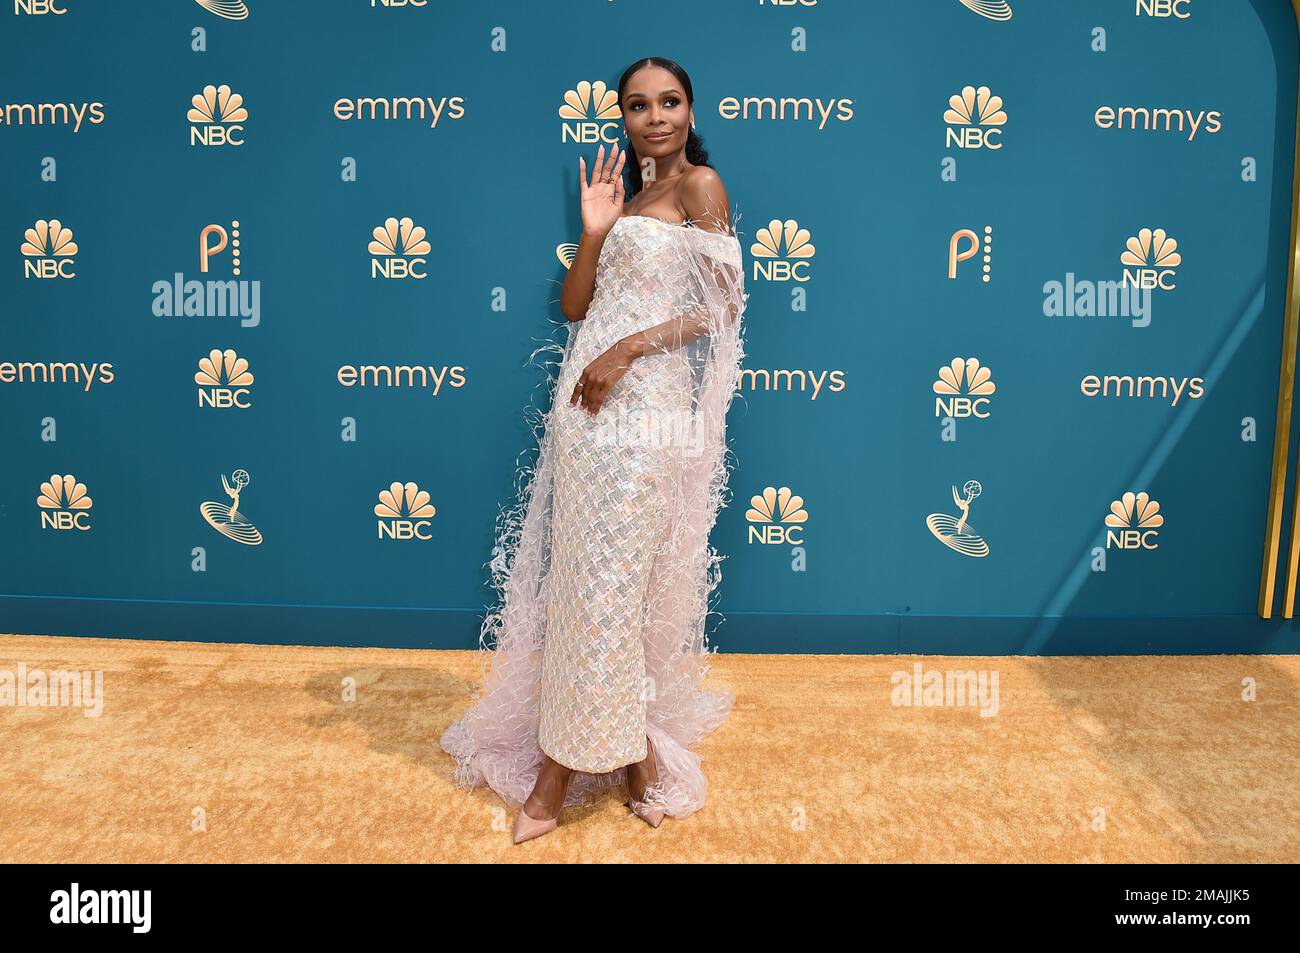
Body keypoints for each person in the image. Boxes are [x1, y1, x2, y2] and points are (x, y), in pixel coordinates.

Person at [440, 56, 748, 843]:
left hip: (646, 416)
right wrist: (595, 231)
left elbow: (723, 308)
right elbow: (578, 306)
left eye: (669, 102)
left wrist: (629, 349)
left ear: (690, 110)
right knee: (582, 589)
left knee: (614, 589)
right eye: (639, 105)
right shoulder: (631, 198)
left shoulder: (700, 187)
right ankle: (634, 760)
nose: (656, 117)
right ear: (623, 118)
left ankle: (556, 777)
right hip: (584, 417)